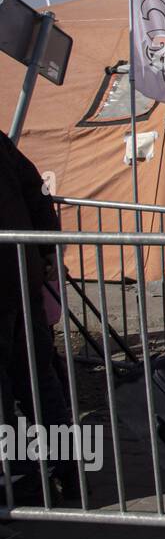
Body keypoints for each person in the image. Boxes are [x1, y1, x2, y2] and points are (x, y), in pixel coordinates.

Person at [0, 131, 77, 503]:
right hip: (20, 274)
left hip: (15, 278)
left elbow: (36, 193)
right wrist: (45, 251)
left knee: (26, 383)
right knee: (37, 379)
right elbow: (39, 194)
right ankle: (64, 470)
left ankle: (22, 479)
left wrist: (45, 250)